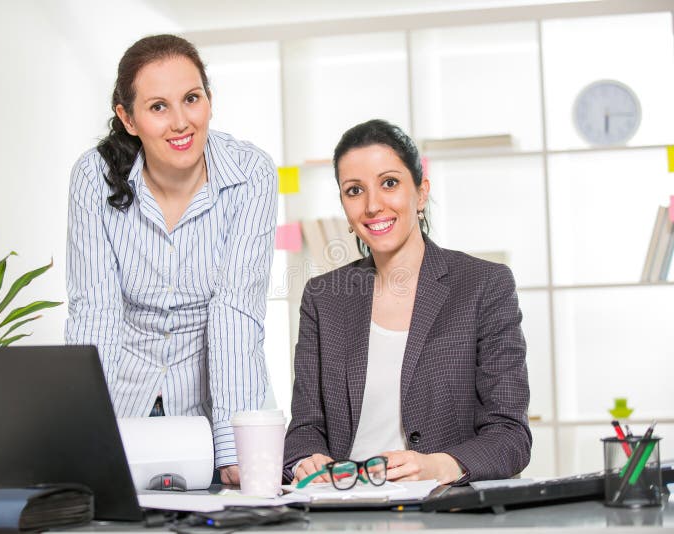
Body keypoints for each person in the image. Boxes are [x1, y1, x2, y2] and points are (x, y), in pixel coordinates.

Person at [65, 34, 277, 485]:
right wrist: (84, 431)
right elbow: (95, 313)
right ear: (128, 118)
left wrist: (230, 447)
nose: (181, 122)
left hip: (218, 408)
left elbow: (235, 312)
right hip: (124, 402)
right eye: (158, 106)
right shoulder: (93, 177)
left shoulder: (251, 174)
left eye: (191, 99)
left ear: (209, 101)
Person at [283, 119, 531, 485]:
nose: (372, 205)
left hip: (444, 509)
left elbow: (511, 435)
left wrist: (441, 466)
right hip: (344, 509)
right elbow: (304, 429)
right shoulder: (323, 298)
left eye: (389, 183)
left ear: (421, 192)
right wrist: (305, 459)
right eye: (354, 190)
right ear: (345, 209)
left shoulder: (484, 286)